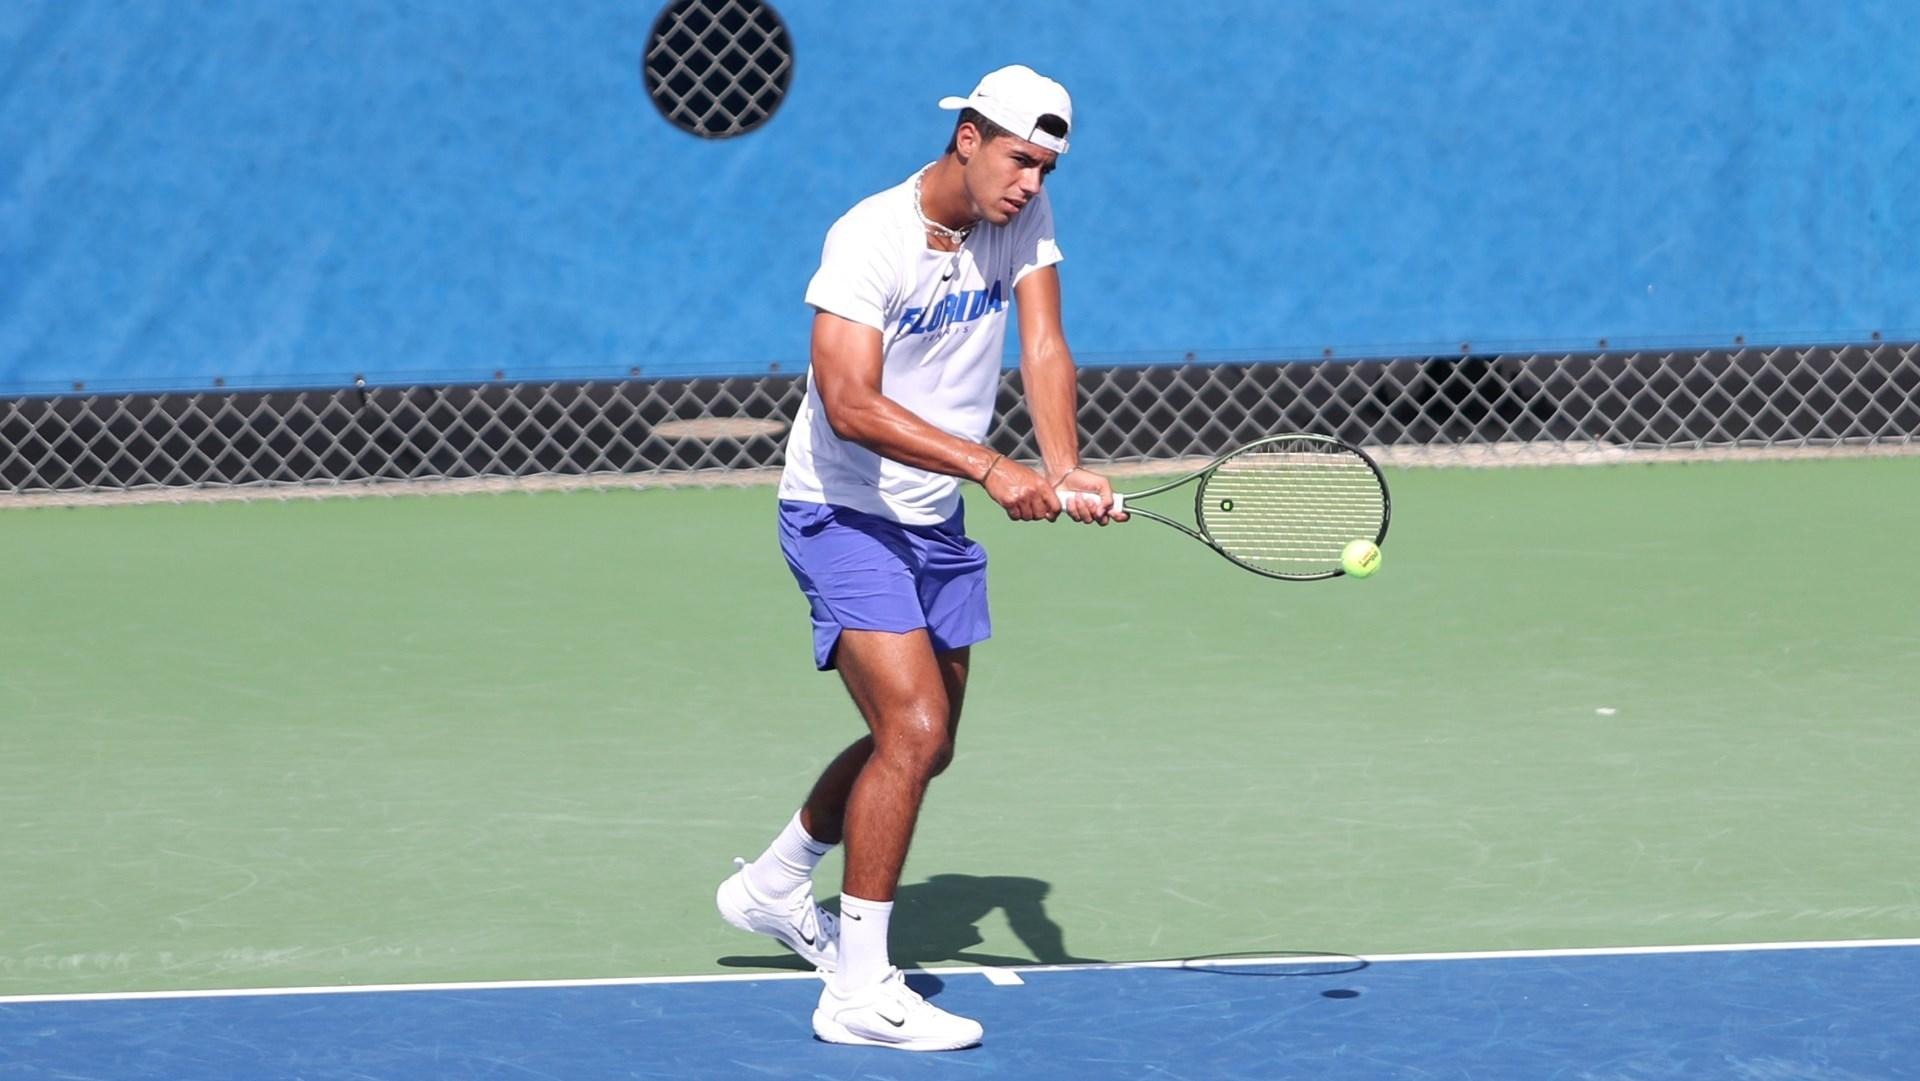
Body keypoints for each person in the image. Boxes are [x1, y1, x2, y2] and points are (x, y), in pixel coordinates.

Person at [715, 63, 1120, 1052]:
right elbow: (848, 403)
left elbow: (1045, 345)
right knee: (913, 721)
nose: (1033, 182)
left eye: (1049, 165)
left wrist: (1063, 468)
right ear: (968, 138)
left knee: (927, 744)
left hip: (932, 517)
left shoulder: (1023, 215)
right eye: (1021, 159)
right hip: (838, 509)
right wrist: (993, 467)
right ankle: (857, 989)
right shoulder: (869, 237)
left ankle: (775, 881)